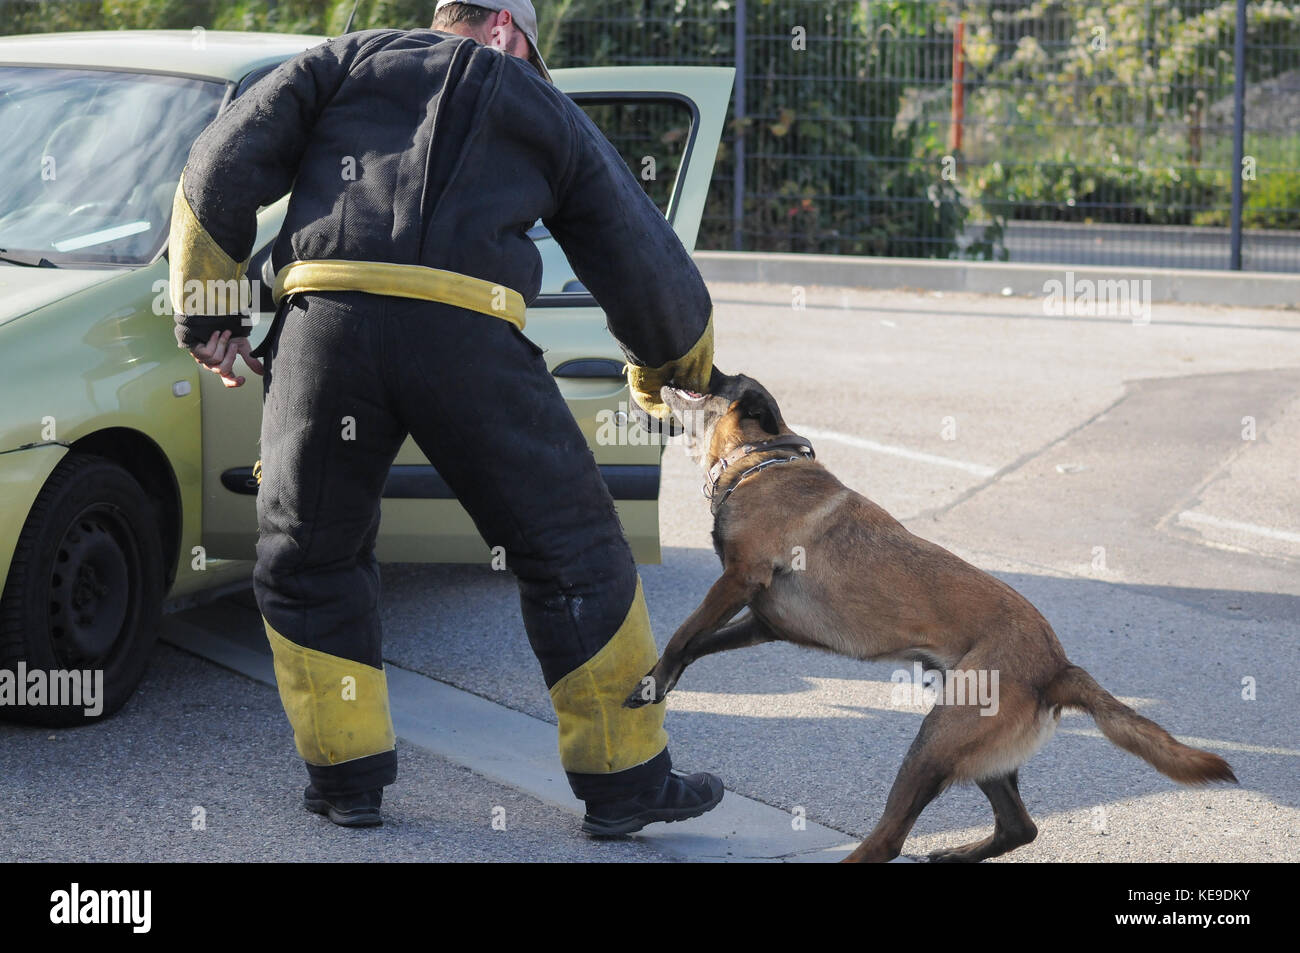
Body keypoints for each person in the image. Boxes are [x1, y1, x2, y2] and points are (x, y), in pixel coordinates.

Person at [170, 0, 723, 834]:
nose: (533, 65)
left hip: (327, 333)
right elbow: (640, 255)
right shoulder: (544, 108)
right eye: (534, 49)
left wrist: (209, 311)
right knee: (574, 552)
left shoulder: (344, 60)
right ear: (504, 27)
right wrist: (675, 373)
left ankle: (345, 779)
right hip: (466, 338)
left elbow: (217, 163)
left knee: (307, 551)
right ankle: (626, 782)